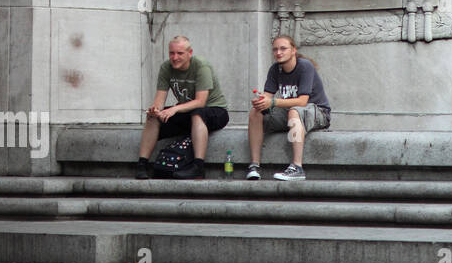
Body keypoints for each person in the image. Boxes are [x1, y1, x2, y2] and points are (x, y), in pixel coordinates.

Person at [136, 36, 229, 179]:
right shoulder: (166, 67)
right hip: (187, 112)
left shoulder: (201, 66)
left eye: (180, 53)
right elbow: (159, 101)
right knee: (152, 117)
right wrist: (155, 110)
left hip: (215, 110)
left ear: (189, 53)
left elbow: (200, 102)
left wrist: (175, 109)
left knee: (198, 113)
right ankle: (142, 165)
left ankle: (198, 167)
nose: (175, 57)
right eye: (172, 53)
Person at [247, 34, 331, 181]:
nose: (278, 53)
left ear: (293, 50)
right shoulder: (275, 69)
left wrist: (272, 102)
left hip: (318, 112)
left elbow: (302, 101)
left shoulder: (305, 66)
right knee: (256, 112)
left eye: (283, 49)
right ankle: (254, 166)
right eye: (275, 50)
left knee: (294, 111)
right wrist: (261, 101)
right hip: (292, 114)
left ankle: (297, 167)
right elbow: (268, 97)